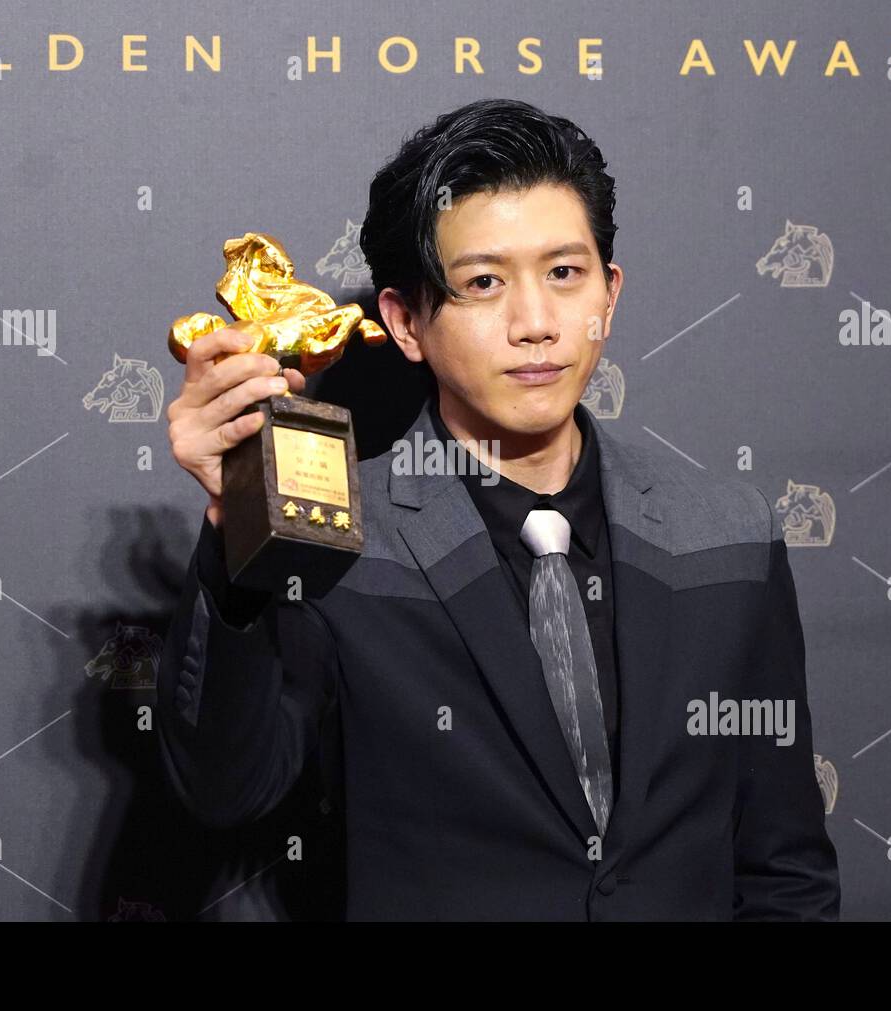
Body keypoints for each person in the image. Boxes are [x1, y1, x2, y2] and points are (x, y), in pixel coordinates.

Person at [157, 97, 840, 921]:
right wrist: (238, 521)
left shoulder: (728, 529)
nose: (537, 324)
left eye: (564, 274)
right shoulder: (340, 537)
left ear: (609, 295)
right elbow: (228, 787)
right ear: (406, 322)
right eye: (484, 282)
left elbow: (784, 867)